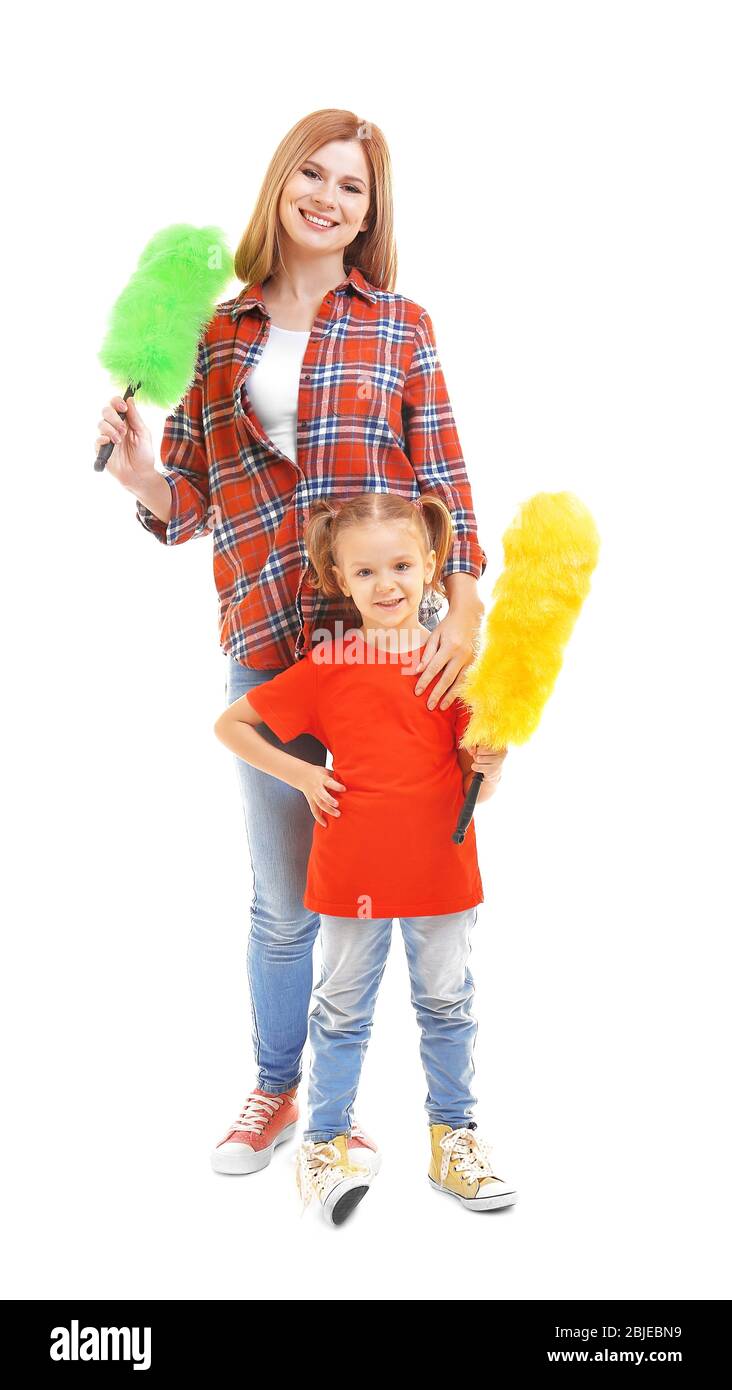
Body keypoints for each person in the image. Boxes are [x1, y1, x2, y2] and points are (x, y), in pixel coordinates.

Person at [94, 108, 488, 1179]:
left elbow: (446, 484)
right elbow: (188, 507)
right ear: (281, 184)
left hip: (395, 652)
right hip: (269, 641)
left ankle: (385, 1116)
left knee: (399, 883)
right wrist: (137, 472)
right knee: (282, 895)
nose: (327, 195)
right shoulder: (215, 335)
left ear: (370, 213)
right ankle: (280, 1089)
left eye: (351, 186)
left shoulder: (401, 324)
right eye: (310, 173)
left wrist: (465, 610)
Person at [213, 490, 517, 1225]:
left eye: (403, 566)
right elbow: (233, 723)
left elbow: (485, 759)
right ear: (338, 581)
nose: (388, 586)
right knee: (343, 1011)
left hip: (442, 871)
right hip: (351, 874)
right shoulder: (327, 666)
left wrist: (494, 760)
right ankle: (324, 1144)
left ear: (432, 567)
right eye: (367, 572)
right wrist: (300, 773)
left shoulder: (456, 664)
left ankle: (454, 1141)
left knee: (447, 1005)